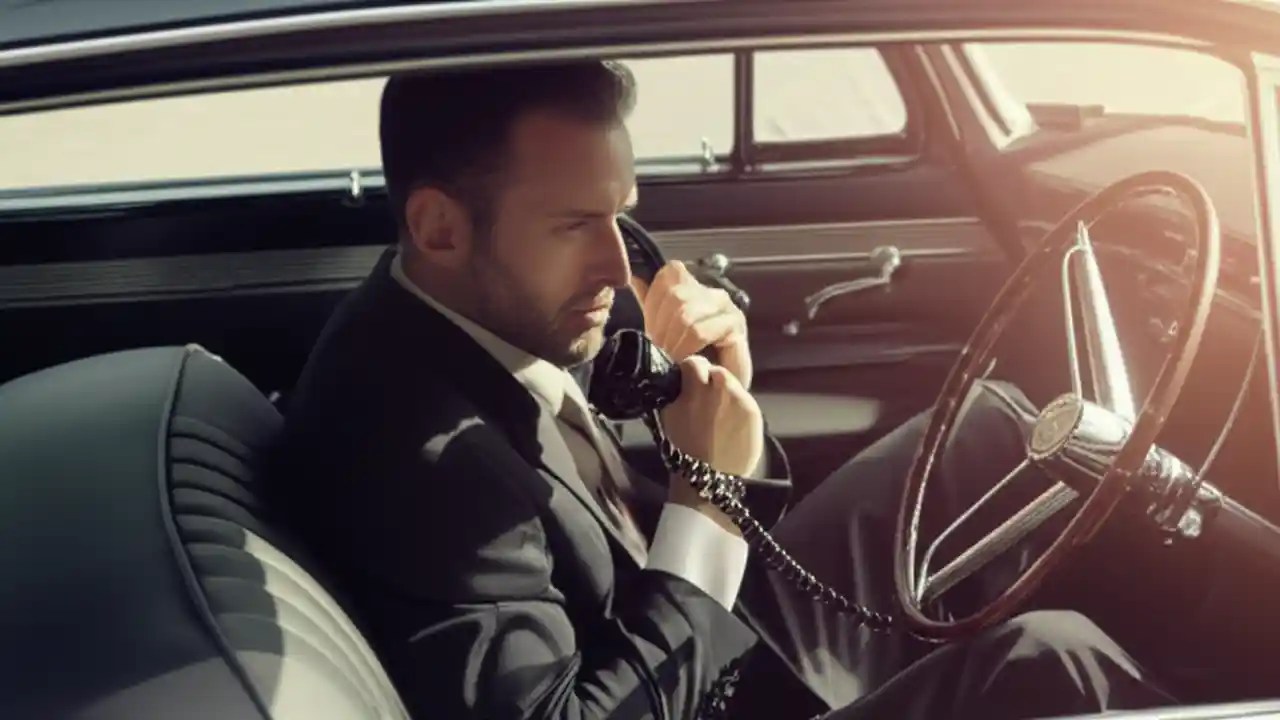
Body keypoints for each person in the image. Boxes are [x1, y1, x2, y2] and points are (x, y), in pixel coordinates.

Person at [269, 61, 1174, 719]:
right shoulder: (417, 459)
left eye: (623, 215)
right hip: (688, 694)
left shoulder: (454, 325)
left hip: (683, 634)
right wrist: (707, 499)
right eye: (577, 224)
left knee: (995, 434)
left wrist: (710, 413)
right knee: (1058, 660)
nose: (619, 267)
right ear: (439, 227)